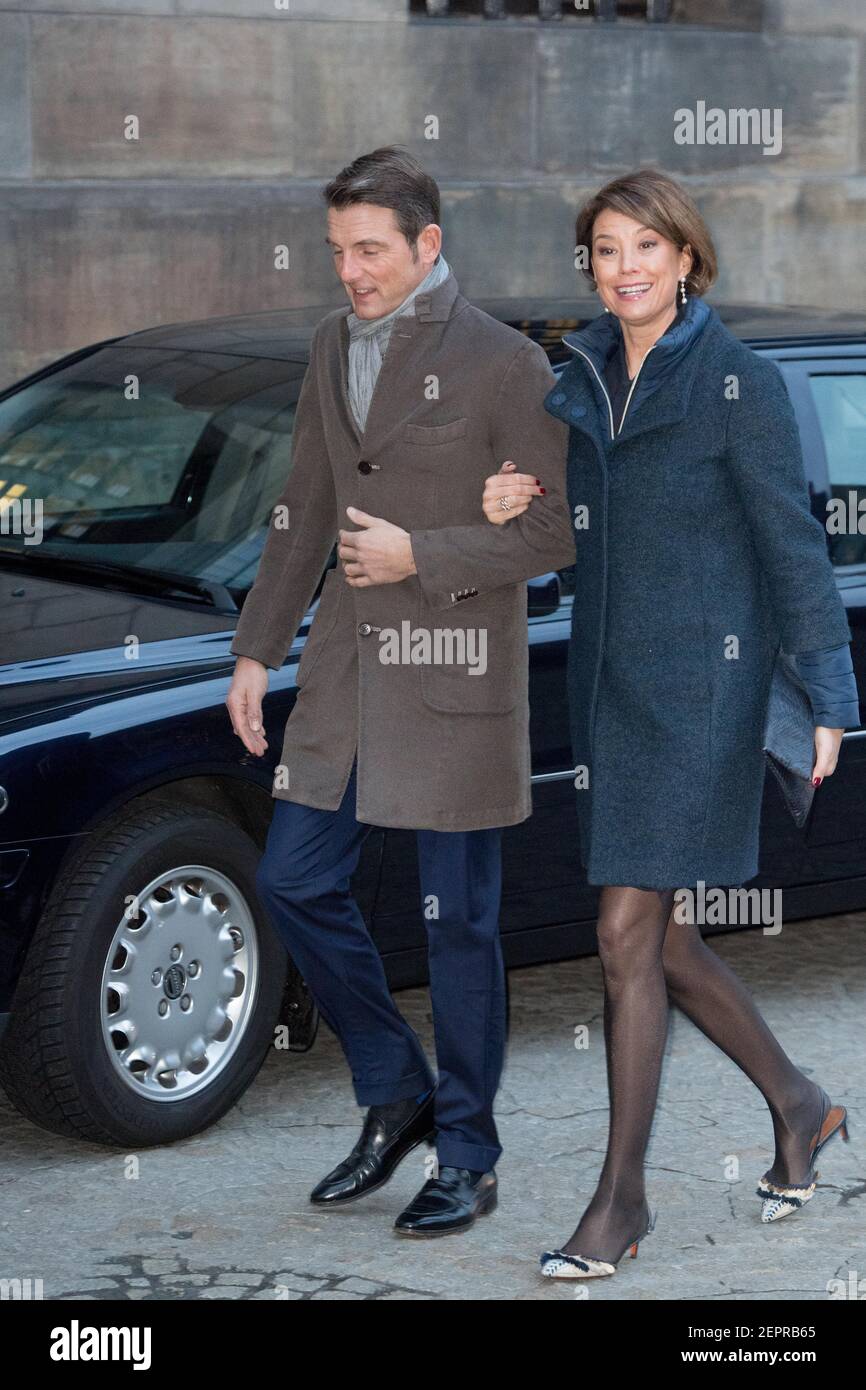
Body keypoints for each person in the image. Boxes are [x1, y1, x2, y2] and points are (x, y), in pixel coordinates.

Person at [481, 167, 859, 1279]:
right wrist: (512, 502)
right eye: (606, 249)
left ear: (686, 258)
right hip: (608, 690)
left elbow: (793, 547)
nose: (626, 267)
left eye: (646, 246)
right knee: (661, 940)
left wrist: (828, 697)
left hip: (703, 695)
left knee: (619, 935)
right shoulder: (584, 375)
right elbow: (583, 530)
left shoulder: (740, 384)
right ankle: (799, 1105)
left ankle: (620, 1201)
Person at [225, 145, 575, 1237]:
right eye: (338, 251)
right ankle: (393, 1087)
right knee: (292, 878)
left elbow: (553, 532)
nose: (350, 271)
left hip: (458, 677)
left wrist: (421, 553)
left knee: (460, 925)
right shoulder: (330, 345)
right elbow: (304, 503)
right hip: (343, 675)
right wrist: (255, 649)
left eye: (369, 250)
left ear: (428, 245)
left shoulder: (506, 364)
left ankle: (467, 1154)